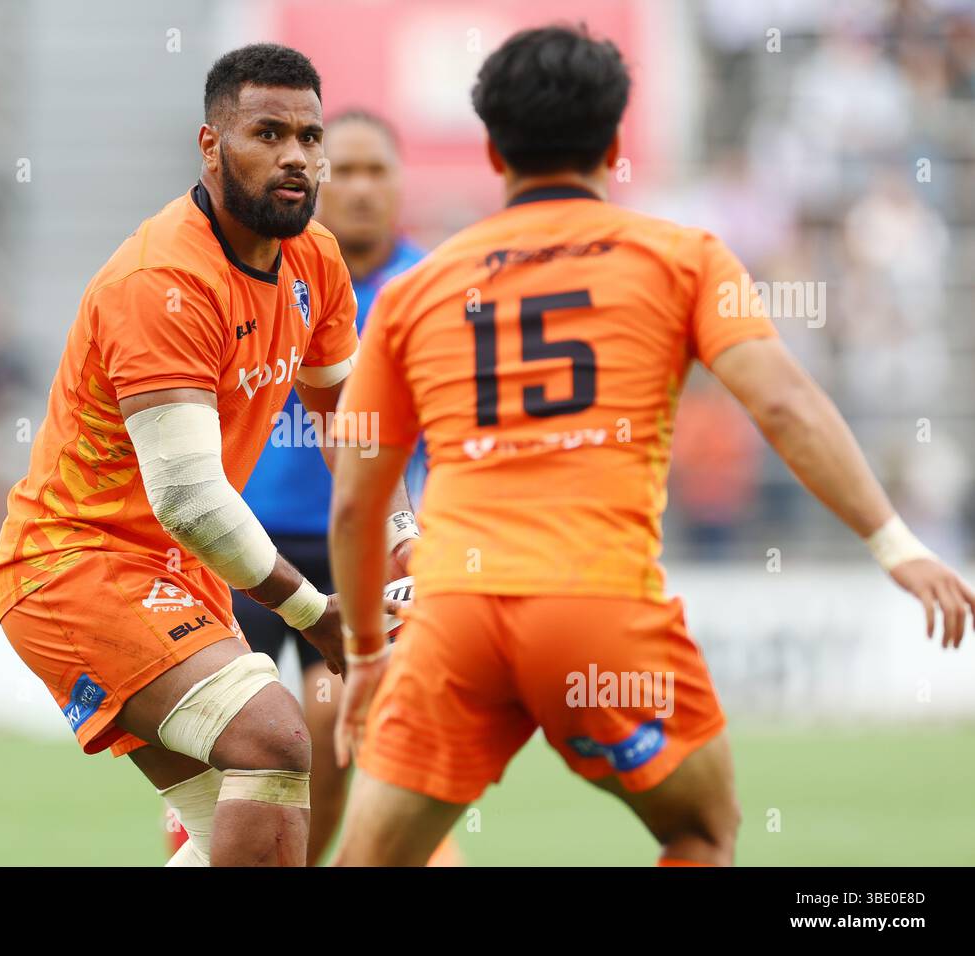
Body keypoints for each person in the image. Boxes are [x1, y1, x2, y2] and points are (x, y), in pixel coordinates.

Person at [325, 24, 974, 867]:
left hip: (453, 621)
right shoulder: (682, 258)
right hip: (596, 612)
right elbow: (782, 405)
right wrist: (895, 543)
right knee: (700, 831)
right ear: (617, 140)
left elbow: (356, 497)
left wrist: (369, 656)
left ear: (491, 149)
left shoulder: (416, 289)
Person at [0, 43, 412, 867]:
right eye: (269, 133)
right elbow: (187, 496)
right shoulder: (160, 280)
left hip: (180, 570)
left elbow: (346, 418)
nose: (298, 156)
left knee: (242, 829)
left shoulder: (316, 258)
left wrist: (402, 529)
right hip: (76, 566)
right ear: (211, 146)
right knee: (279, 740)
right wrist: (312, 612)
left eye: (310, 136)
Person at [228, 109, 428, 865]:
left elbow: (448, 430)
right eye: (348, 170)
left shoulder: (428, 288)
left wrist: (423, 532)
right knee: (228, 739)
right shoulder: (256, 268)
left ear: (402, 183)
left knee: (336, 718)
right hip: (242, 539)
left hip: (359, 541)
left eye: (381, 170)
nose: (365, 189)